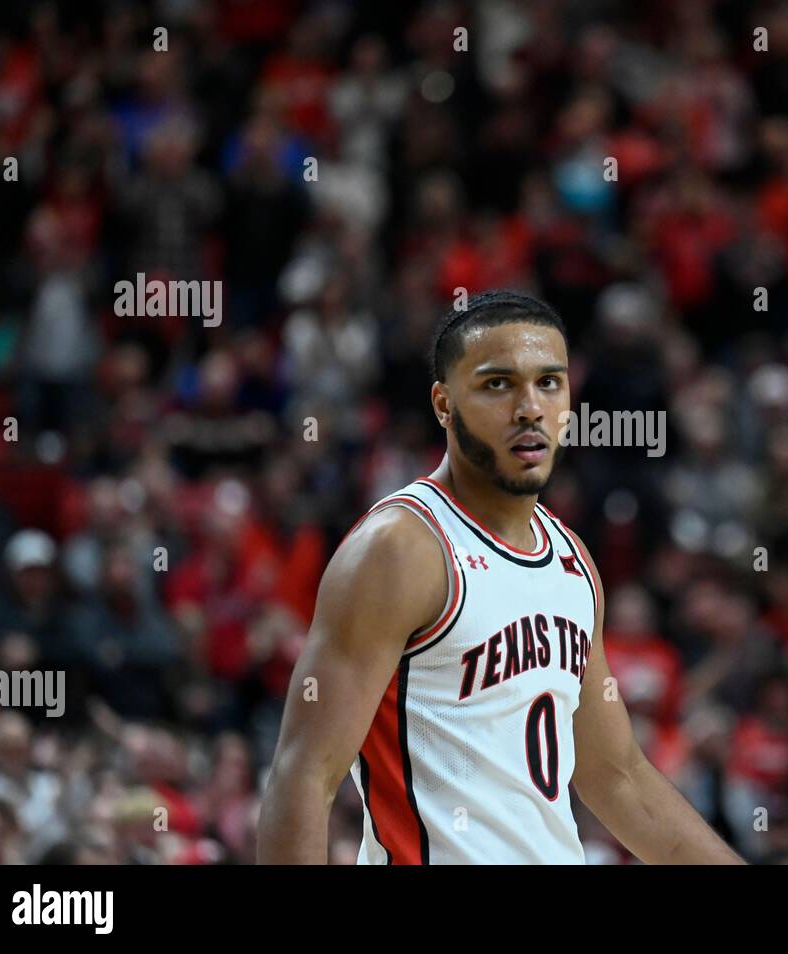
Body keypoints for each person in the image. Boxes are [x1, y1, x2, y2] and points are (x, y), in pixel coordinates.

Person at [258, 290, 743, 864]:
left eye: (549, 382)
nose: (529, 408)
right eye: (497, 384)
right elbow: (304, 775)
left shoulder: (573, 560)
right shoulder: (401, 549)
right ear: (443, 404)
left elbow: (618, 777)